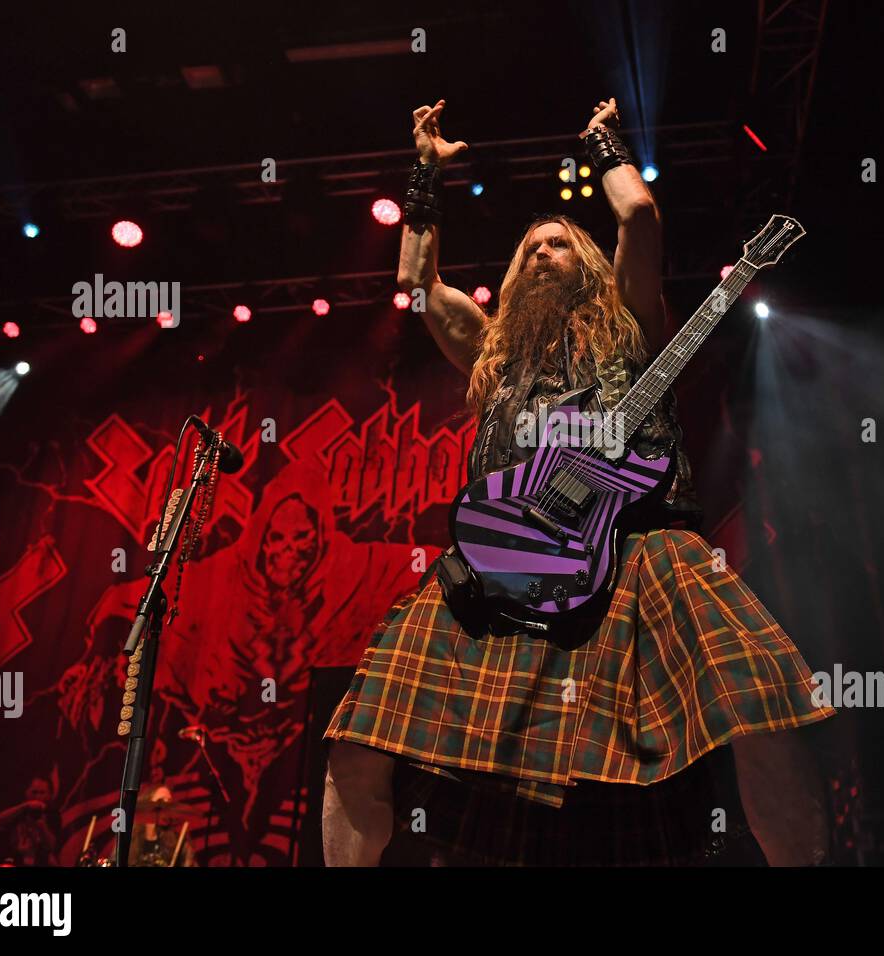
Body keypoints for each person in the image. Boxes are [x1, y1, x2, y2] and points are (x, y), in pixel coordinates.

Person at [322, 97, 834, 866]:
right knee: (360, 739)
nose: (542, 252)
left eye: (559, 243)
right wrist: (424, 171)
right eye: (531, 247)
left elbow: (640, 215)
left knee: (759, 714)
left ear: (588, 262)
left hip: (643, 550)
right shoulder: (492, 353)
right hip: (506, 564)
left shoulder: (631, 323)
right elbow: (416, 281)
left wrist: (602, 143)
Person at [0, 777, 61, 866]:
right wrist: (25, 806)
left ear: (49, 795)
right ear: (26, 792)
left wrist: (42, 826)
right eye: (34, 792)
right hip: (13, 860)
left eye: (42, 793)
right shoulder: (18, 809)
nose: (37, 796)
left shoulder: (52, 814)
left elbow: (52, 846)